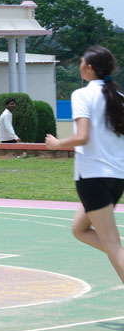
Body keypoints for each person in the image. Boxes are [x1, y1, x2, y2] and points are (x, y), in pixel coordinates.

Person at [46, 45, 124, 284]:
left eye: (81, 62)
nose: (79, 66)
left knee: (111, 243)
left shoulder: (82, 95)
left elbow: (82, 136)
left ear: (89, 68)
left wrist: (58, 144)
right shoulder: (119, 98)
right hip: (116, 177)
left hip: (93, 177)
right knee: (80, 230)